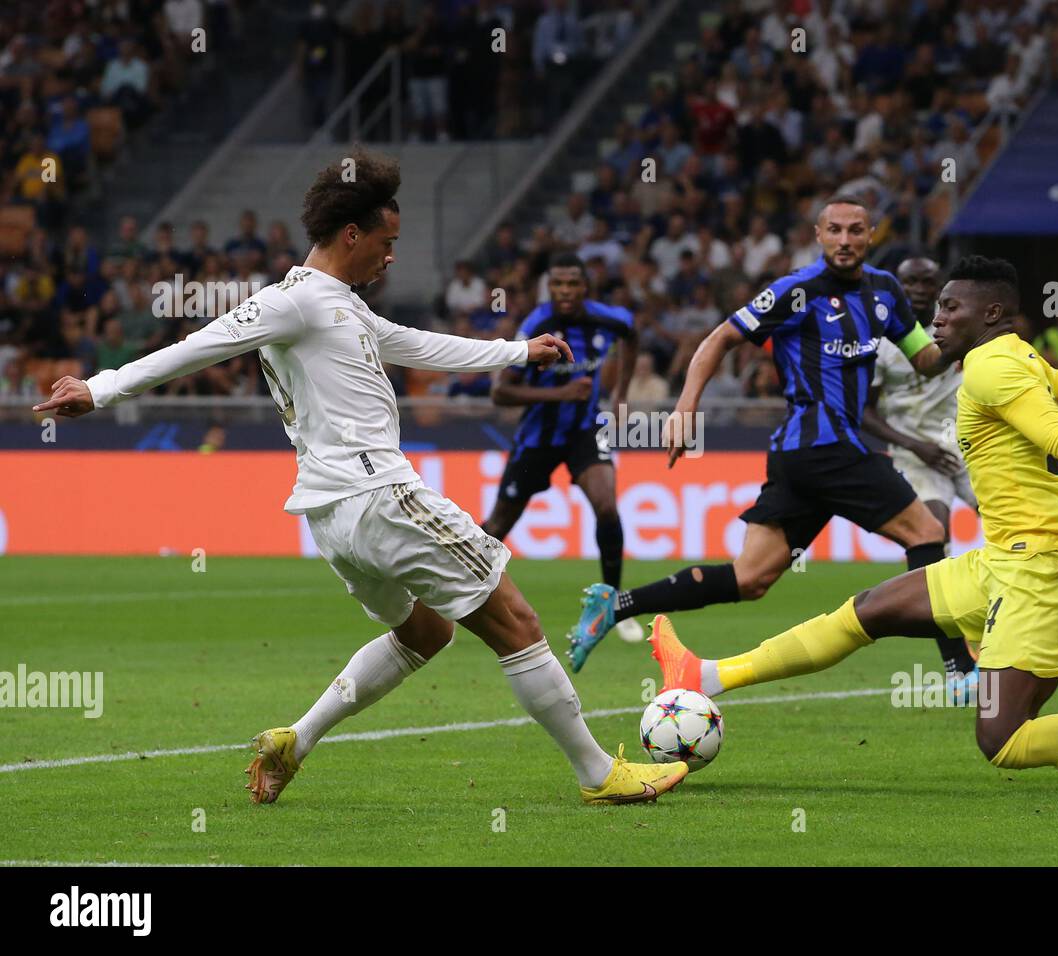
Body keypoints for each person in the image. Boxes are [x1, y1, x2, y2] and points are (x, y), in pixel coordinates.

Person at [33, 151, 687, 808]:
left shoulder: (341, 307)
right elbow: (200, 344)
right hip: (379, 497)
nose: (391, 256)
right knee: (516, 618)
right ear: (352, 235)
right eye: (386, 242)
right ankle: (598, 774)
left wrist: (518, 351)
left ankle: (297, 739)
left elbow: (417, 344)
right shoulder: (294, 302)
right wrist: (101, 386)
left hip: (334, 520)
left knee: (427, 632)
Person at [646, 255, 1058, 793]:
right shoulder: (1012, 355)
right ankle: (706, 676)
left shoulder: (991, 368)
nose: (935, 318)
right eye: (936, 307)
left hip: (1047, 569)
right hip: (1007, 560)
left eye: (949, 307)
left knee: (1003, 739)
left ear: (990, 314)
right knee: (866, 612)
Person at [566, 196, 952, 672]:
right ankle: (959, 671)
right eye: (835, 230)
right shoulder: (797, 290)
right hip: (821, 446)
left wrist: (965, 337)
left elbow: (926, 360)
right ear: (818, 235)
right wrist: (685, 407)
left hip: (808, 458)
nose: (845, 240)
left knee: (750, 579)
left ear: (872, 235)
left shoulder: (885, 291)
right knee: (927, 533)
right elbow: (719, 339)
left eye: (856, 230)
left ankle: (615, 605)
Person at [482, 254, 637, 613]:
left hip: (586, 430)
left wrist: (622, 394)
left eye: (572, 284)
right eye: (557, 284)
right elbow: (501, 392)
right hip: (537, 438)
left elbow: (632, 334)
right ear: (548, 288)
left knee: (608, 508)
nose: (565, 291)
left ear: (586, 287)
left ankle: (612, 605)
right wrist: (560, 394)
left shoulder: (607, 318)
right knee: (496, 527)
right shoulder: (538, 325)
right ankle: (452, 599)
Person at [862, 254, 980, 695]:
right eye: (909, 280)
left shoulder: (956, 331)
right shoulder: (880, 341)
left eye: (927, 281)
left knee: (1016, 526)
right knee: (933, 536)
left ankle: (1003, 627)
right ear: (898, 285)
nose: (918, 288)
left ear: (939, 286)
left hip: (966, 447)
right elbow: (864, 413)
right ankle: (955, 666)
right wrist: (914, 446)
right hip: (915, 455)